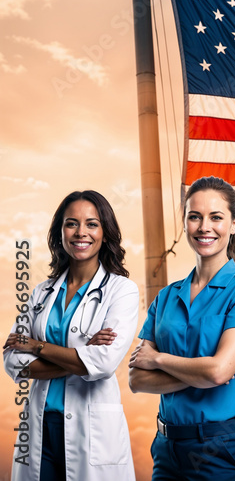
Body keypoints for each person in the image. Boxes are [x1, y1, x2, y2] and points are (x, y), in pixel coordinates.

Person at [128, 176, 235, 481]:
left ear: (233, 224)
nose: (205, 227)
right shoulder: (166, 297)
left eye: (216, 217)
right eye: (195, 216)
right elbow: (137, 379)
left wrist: (159, 360)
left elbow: (218, 372)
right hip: (165, 447)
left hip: (217, 447)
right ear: (186, 222)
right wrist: (202, 374)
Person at [3, 190, 139, 481]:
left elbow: (101, 364)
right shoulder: (42, 292)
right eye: (71, 223)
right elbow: (13, 361)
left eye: (92, 224)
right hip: (40, 430)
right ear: (60, 232)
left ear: (105, 232)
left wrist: (36, 345)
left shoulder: (121, 290)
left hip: (92, 432)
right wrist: (79, 355)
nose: (81, 232)